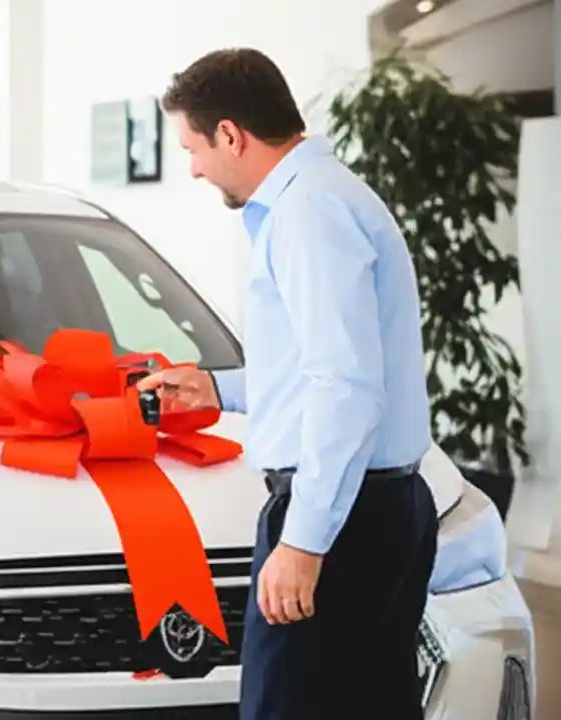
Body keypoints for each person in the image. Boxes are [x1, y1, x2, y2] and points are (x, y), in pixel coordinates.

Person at [138, 49, 438, 719]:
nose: (192, 167)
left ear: (230, 135)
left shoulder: (306, 213)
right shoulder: (327, 196)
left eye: (193, 147)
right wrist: (221, 391)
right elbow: (328, 367)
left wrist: (304, 540)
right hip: (373, 506)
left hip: (341, 514)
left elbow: (345, 384)